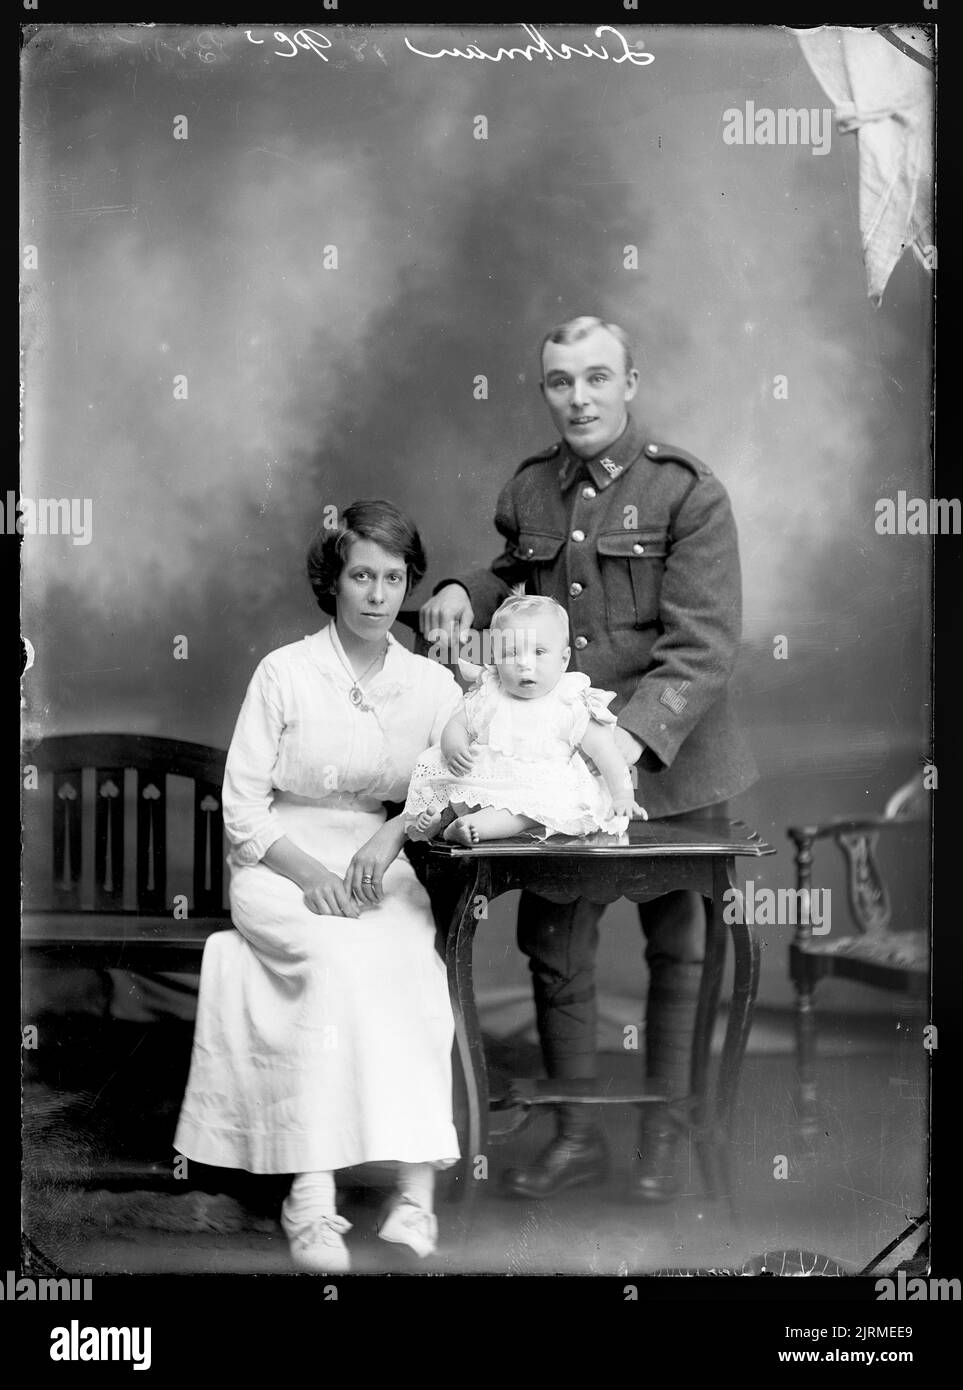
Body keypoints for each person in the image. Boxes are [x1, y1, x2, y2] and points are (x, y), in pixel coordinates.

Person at [420, 316, 758, 1201]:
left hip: (671, 766)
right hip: (550, 769)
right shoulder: (532, 487)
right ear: (546, 390)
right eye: (561, 382)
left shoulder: (688, 491)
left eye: (597, 378)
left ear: (630, 383)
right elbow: (515, 580)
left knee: (677, 952)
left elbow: (704, 646)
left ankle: (661, 1137)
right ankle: (573, 1137)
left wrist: (622, 745)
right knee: (553, 944)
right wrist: (462, 588)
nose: (579, 398)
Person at [175, 500, 463, 1272]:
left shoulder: (431, 685)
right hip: (279, 862)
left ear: (409, 586)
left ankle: (413, 1197)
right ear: (331, 582)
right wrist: (310, 877)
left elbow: (453, 784)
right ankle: (312, 1197)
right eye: (360, 575)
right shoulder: (286, 672)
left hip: (376, 855)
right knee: (334, 965)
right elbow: (242, 807)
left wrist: (394, 830)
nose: (376, 595)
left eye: (393, 579)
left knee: (411, 963)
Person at [404, 592, 646, 845]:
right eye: (511, 654)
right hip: (486, 782)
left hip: (539, 792)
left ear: (563, 660)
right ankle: (439, 820)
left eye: (539, 652)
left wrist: (622, 796)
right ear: (496, 659)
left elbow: (607, 753)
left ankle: (474, 826)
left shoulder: (571, 701)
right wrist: (454, 746)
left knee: (524, 812)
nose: (524, 664)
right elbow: (458, 724)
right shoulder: (490, 693)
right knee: (450, 787)